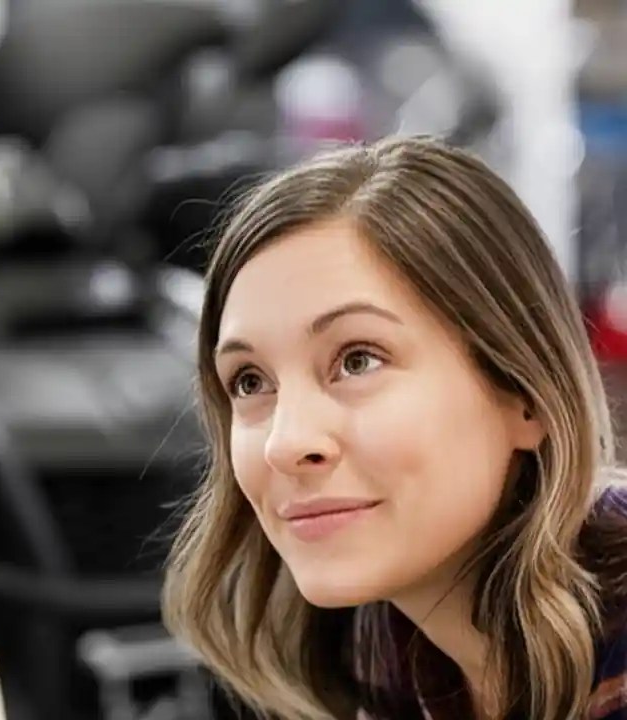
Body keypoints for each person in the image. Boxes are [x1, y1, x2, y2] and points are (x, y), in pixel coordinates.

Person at [161, 135, 627, 719]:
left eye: (357, 360)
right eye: (250, 381)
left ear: (525, 394)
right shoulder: (379, 643)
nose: (285, 443)